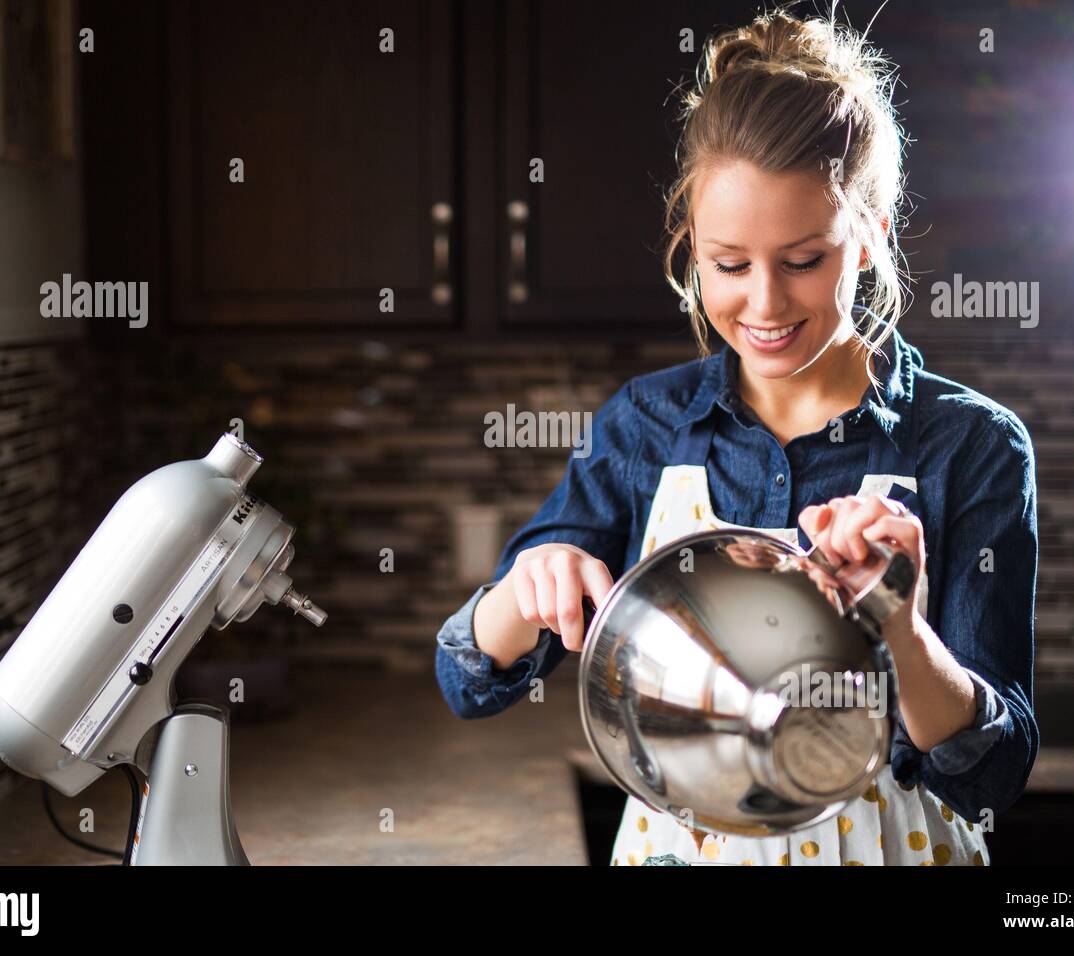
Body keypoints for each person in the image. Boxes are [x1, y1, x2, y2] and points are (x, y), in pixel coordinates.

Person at [435, 6, 1038, 866]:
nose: (763, 305)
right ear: (690, 246)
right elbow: (466, 680)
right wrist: (523, 589)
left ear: (866, 239)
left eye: (802, 262)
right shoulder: (644, 427)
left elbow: (995, 772)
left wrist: (902, 630)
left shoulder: (971, 447)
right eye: (729, 264)